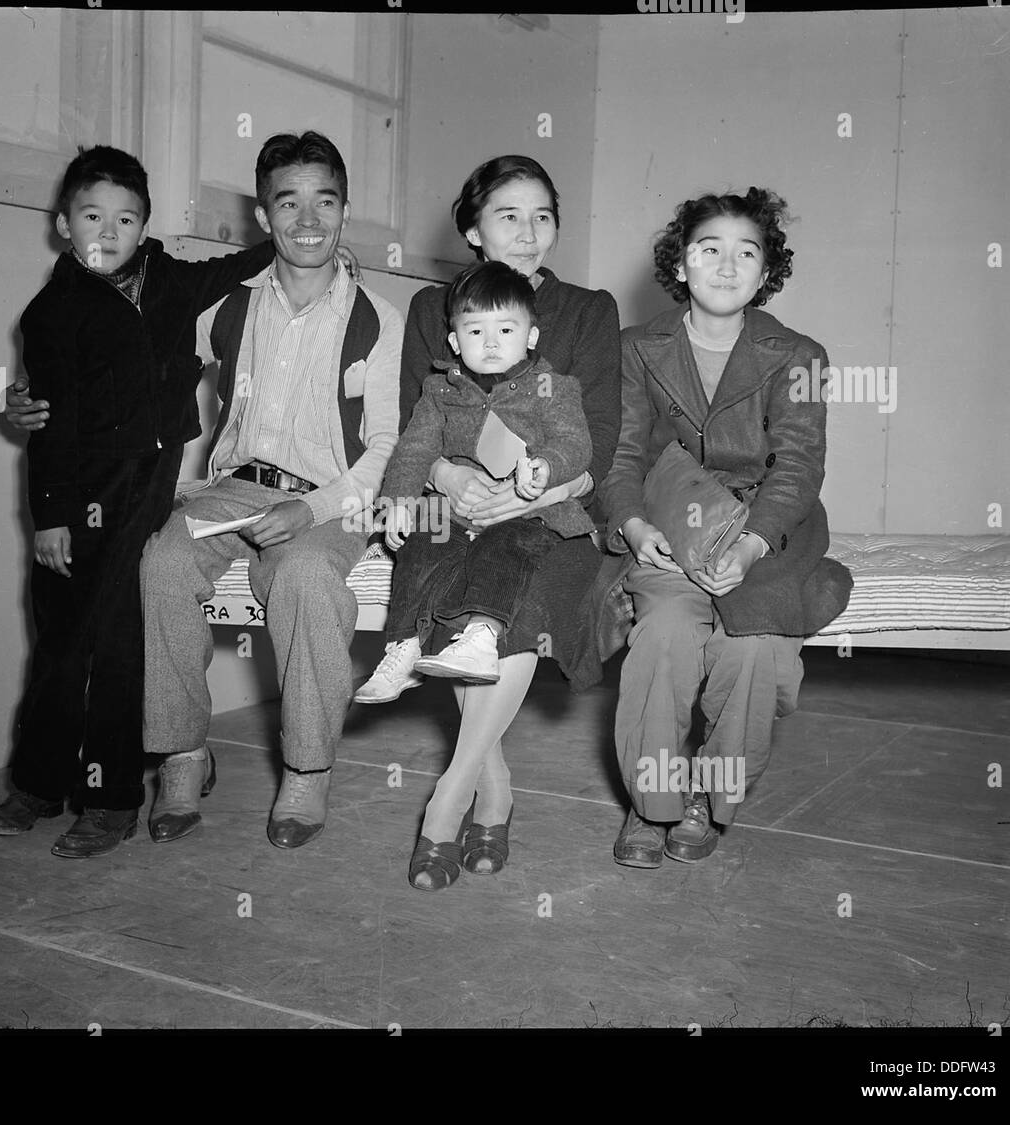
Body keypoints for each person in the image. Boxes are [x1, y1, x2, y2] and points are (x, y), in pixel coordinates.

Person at [0, 145, 275, 857]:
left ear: (145, 227)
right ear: (62, 224)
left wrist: (285, 240)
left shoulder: (168, 276)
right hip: (77, 495)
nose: (108, 232)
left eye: (125, 219)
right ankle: (38, 782)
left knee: (118, 642)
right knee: (59, 645)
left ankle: (109, 798)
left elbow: (227, 271)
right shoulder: (51, 313)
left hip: (146, 486)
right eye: (91, 216)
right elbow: (46, 425)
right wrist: (49, 515)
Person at [137, 131, 403, 850]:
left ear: (345, 211)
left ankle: (307, 770)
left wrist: (309, 510)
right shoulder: (224, 307)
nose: (308, 219)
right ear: (264, 216)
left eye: (325, 201)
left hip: (332, 500)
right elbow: (144, 370)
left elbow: (384, 447)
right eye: (289, 202)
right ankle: (184, 756)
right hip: (233, 490)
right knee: (160, 563)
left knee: (309, 577)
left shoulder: (380, 319)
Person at [385, 156, 623, 890]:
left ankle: (450, 796)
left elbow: (601, 445)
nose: (529, 232)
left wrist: (515, 498)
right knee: (453, 602)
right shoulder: (433, 309)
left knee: (513, 601)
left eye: (543, 216)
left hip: (553, 511)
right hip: (454, 508)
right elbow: (418, 425)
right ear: (471, 228)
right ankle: (496, 789)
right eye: (508, 216)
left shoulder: (588, 309)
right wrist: (452, 480)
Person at [599, 187, 852, 869]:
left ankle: (710, 801)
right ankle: (652, 804)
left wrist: (747, 546)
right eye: (709, 248)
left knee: (754, 654)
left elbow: (797, 469)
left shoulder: (798, 354)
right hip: (668, 523)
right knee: (665, 637)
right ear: (680, 264)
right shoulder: (635, 347)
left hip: (766, 533)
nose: (727, 263)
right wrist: (631, 524)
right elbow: (620, 454)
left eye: (747, 251)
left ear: (766, 270)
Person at [358, 259, 594, 706]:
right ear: (454, 340)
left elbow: (575, 444)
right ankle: (403, 648)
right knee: (421, 541)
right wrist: (399, 503)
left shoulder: (553, 387)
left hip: (530, 512)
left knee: (505, 545)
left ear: (531, 337)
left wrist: (545, 467)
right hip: (456, 509)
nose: (490, 343)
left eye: (506, 331)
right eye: (475, 331)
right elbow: (414, 450)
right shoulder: (440, 391)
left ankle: (482, 638)